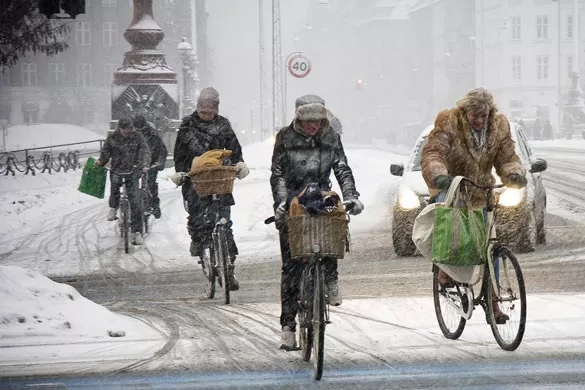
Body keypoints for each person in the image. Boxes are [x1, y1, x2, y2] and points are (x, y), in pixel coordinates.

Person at [420, 87, 527, 324]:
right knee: (454, 237)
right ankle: (445, 274)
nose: (479, 120)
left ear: (490, 113)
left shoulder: (499, 126)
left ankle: (493, 301)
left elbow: (507, 157)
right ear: (465, 111)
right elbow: (433, 153)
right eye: (474, 115)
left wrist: (513, 174)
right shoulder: (449, 122)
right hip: (453, 187)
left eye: (484, 115)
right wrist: (439, 175)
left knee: (491, 249)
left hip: (482, 191)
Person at [270, 98, 364, 350]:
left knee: (334, 223)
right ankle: (288, 326)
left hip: (321, 196)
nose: (313, 126)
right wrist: (280, 203)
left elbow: (342, 167)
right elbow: (277, 174)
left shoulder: (331, 137)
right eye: (308, 121)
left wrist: (351, 195)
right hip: (292, 200)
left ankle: (330, 277)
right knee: (290, 268)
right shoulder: (285, 137)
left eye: (317, 121)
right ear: (299, 120)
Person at [173, 87, 249, 291]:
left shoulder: (224, 126)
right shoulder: (187, 126)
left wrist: (239, 163)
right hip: (195, 180)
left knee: (225, 224)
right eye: (202, 110)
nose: (206, 114)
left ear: (216, 109)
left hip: (219, 179)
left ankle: (229, 270)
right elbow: (179, 152)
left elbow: (235, 148)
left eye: (210, 111)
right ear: (197, 108)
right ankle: (199, 243)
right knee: (198, 221)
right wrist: (181, 172)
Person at [94, 118, 151, 245]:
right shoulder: (112, 138)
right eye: (124, 128)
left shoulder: (138, 137)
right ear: (119, 128)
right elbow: (106, 153)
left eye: (129, 128)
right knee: (114, 187)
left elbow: (145, 151)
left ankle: (136, 232)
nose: (127, 131)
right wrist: (101, 162)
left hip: (133, 170)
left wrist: (145, 164)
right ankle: (113, 207)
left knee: (135, 201)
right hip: (117, 169)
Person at [132, 115, 168, 219]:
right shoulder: (130, 135)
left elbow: (162, 150)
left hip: (151, 163)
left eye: (140, 127)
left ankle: (154, 204)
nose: (138, 129)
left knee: (150, 183)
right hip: (135, 164)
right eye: (136, 127)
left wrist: (158, 163)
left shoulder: (153, 135)